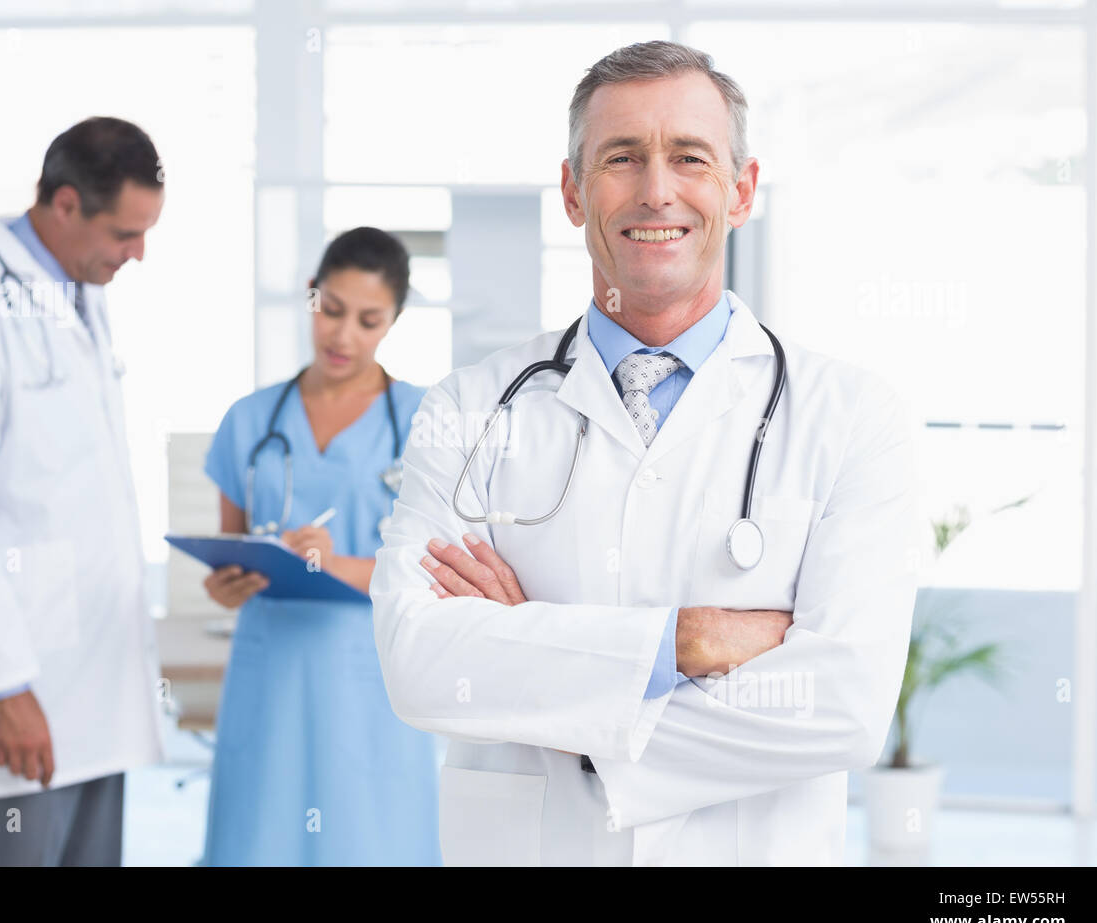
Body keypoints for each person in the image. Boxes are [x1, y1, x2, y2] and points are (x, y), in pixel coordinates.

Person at [369, 41, 919, 866]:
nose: (656, 190)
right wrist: (684, 642)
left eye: (689, 157)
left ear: (741, 191)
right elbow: (420, 663)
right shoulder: (470, 408)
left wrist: (546, 672)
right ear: (572, 191)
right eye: (621, 158)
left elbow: (843, 706)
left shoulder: (852, 415)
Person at [0, 117, 165, 866]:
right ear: (66, 205)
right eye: (125, 233)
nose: (138, 254)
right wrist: (1, 686)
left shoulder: (82, 294)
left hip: (96, 690)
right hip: (24, 694)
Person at [200, 226, 441, 866]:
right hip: (269, 675)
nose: (343, 335)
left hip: (373, 681)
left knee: (369, 844)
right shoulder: (250, 421)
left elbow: (434, 570)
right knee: (259, 842)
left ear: (393, 320)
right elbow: (230, 553)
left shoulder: (425, 420)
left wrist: (331, 563)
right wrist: (224, 584)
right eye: (330, 311)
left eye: (368, 320)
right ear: (310, 298)